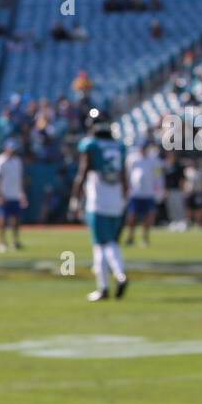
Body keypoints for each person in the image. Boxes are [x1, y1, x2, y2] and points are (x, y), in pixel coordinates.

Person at [70, 113, 129, 301]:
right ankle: (103, 287)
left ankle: (120, 275)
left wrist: (75, 198)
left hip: (99, 199)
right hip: (117, 198)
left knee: (103, 243)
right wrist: (124, 197)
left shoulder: (91, 145)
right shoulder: (118, 146)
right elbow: (124, 176)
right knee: (104, 244)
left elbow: (83, 172)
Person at [122, 140, 164, 246]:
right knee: (132, 216)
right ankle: (130, 237)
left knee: (149, 216)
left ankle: (145, 238)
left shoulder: (154, 160)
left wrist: (159, 190)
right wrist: (127, 188)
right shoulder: (132, 159)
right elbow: (127, 174)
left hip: (149, 193)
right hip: (135, 193)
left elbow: (159, 176)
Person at [0, 138, 25, 252]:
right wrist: (0, 194)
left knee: (16, 219)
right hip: (4, 194)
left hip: (15, 194)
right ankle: (2, 242)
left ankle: (15, 241)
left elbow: (20, 178)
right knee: (2, 219)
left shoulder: (17, 161)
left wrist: (22, 193)